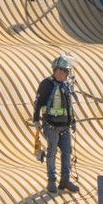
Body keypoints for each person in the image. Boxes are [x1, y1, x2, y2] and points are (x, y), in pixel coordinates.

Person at [32, 54, 80, 195]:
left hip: (65, 127)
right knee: (52, 153)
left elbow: (68, 105)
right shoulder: (46, 84)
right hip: (51, 126)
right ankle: (51, 180)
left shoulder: (65, 85)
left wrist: (72, 120)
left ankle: (64, 181)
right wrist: (36, 120)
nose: (67, 74)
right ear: (58, 71)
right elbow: (38, 103)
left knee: (67, 153)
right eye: (65, 71)